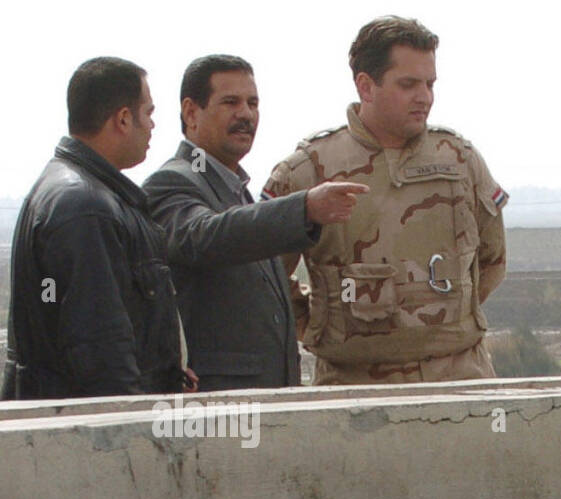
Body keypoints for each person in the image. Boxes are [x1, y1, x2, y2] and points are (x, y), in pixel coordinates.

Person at [261, 16, 508, 385]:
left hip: (458, 378)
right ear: (366, 86)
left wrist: (440, 321)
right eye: (408, 84)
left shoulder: (459, 159)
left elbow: (493, 259)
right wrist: (318, 324)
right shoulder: (308, 170)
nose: (424, 96)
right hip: (355, 384)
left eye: (429, 83)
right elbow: (267, 274)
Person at [143, 55, 367, 392]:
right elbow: (204, 236)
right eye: (230, 102)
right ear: (191, 113)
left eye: (253, 103)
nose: (246, 114)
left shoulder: (235, 190)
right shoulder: (172, 183)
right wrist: (302, 209)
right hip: (218, 406)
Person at [2, 58, 185, 399]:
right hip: (89, 434)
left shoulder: (80, 193)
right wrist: (134, 426)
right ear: (124, 119)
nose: (153, 125)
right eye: (148, 113)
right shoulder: (86, 208)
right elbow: (101, 347)